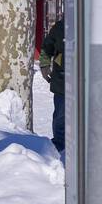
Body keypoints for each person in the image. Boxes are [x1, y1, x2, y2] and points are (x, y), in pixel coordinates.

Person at [41, 16, 64, 152]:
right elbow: (46, 47)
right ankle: (59, 147)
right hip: (63, 80)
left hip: (91, 82)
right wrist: (44, 65)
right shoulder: (60, 27)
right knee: (61, 115)